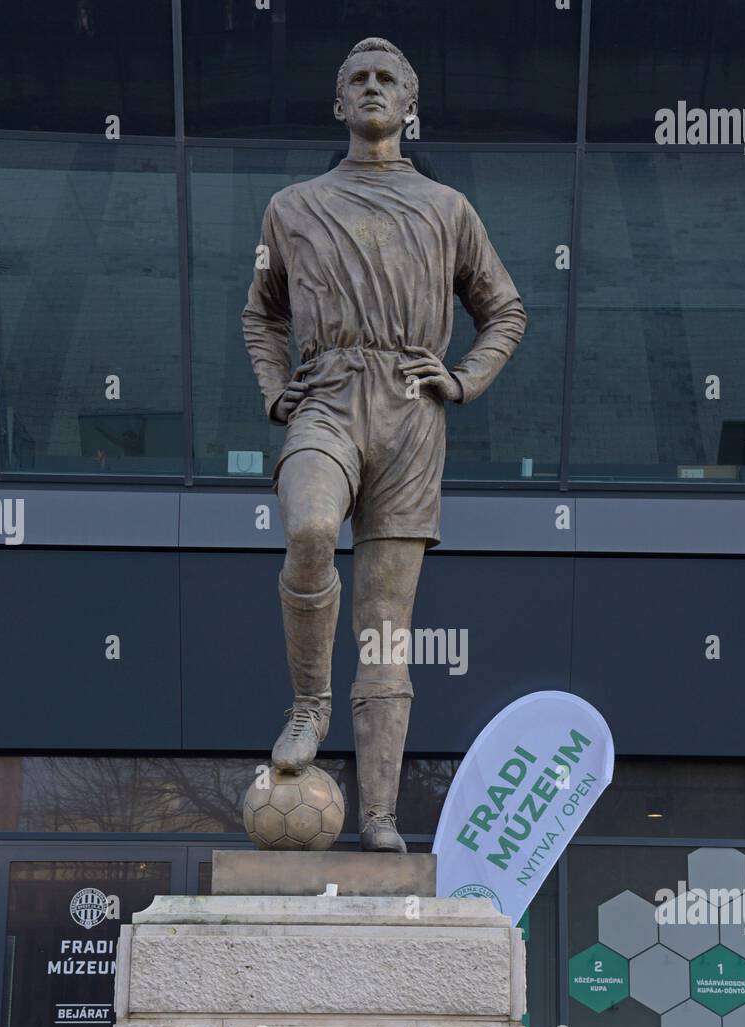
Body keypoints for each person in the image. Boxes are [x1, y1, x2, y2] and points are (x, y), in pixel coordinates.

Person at [242, 36, 526, 851]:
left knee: (385, 628)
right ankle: (308, 703)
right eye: (356, 80)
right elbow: (261, 311)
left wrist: (464, 379)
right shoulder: (291, 206)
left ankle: (377, 819)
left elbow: (504, 309)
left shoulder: (447, 209)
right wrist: (273, 390)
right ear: (339, 106)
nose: (371, 88)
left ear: (410, 105)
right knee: (307, 529)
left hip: (409, 414)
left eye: (386, 80)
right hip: (326, 396)